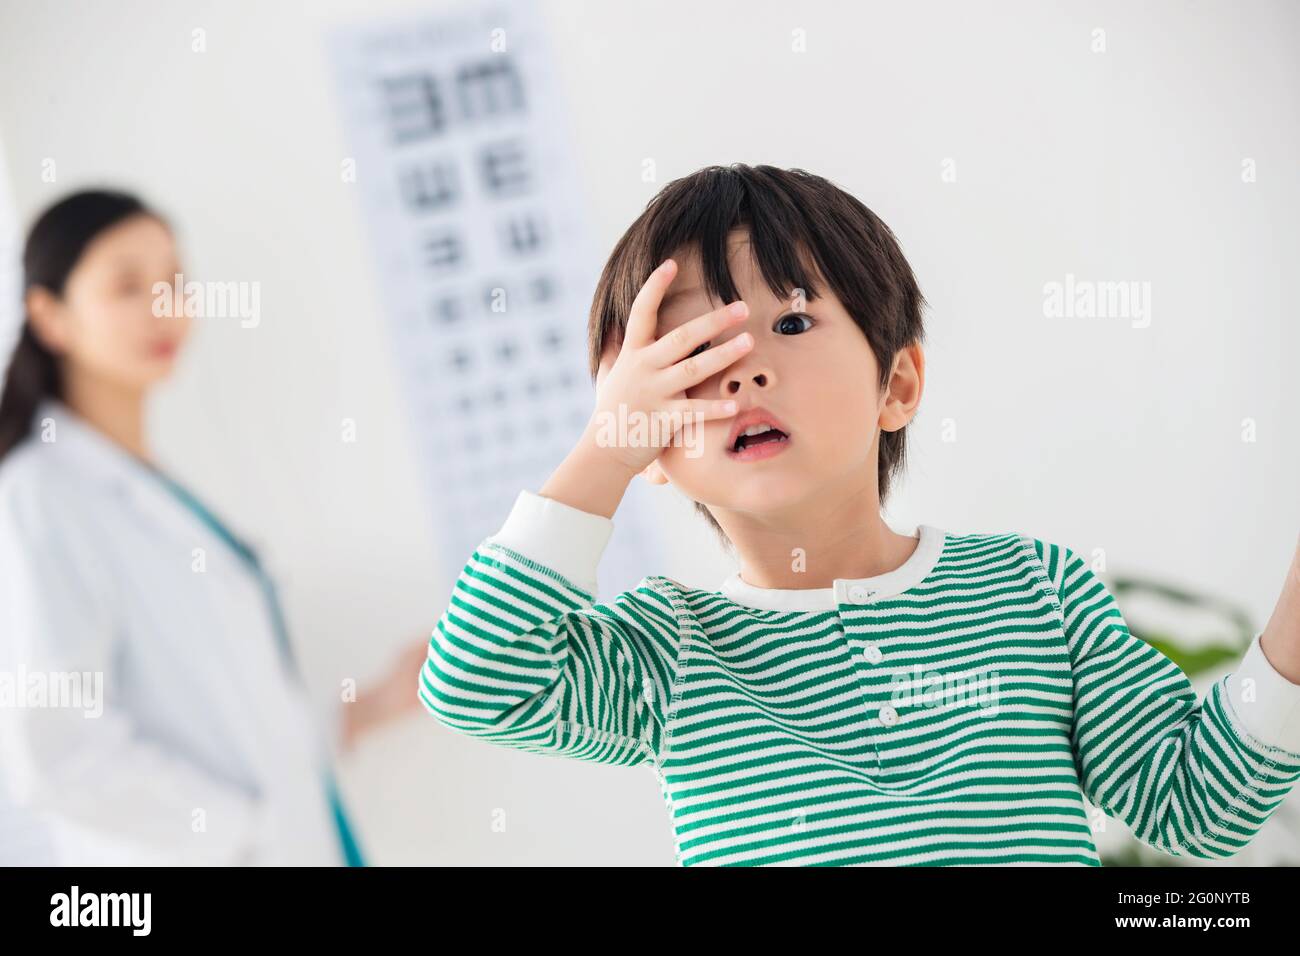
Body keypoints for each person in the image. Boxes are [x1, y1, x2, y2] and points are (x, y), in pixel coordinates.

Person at [417, 163, 1300, 866]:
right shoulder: (669, 650)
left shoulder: (1034, 590)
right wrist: (605, 448)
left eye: (791, 325)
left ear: (898, 385)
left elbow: (1199, 808)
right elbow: (477, 684)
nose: (742, 371)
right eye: (690, 355)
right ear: (650, 440)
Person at [0, 189, 423, 865]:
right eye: (127, 286)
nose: (162, 306)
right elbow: (57, 751)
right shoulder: (42, 495)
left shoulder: (147, 488)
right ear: (49, 317)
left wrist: (369, 706)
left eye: (173, 281)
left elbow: (223, 716)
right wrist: (246, 829)